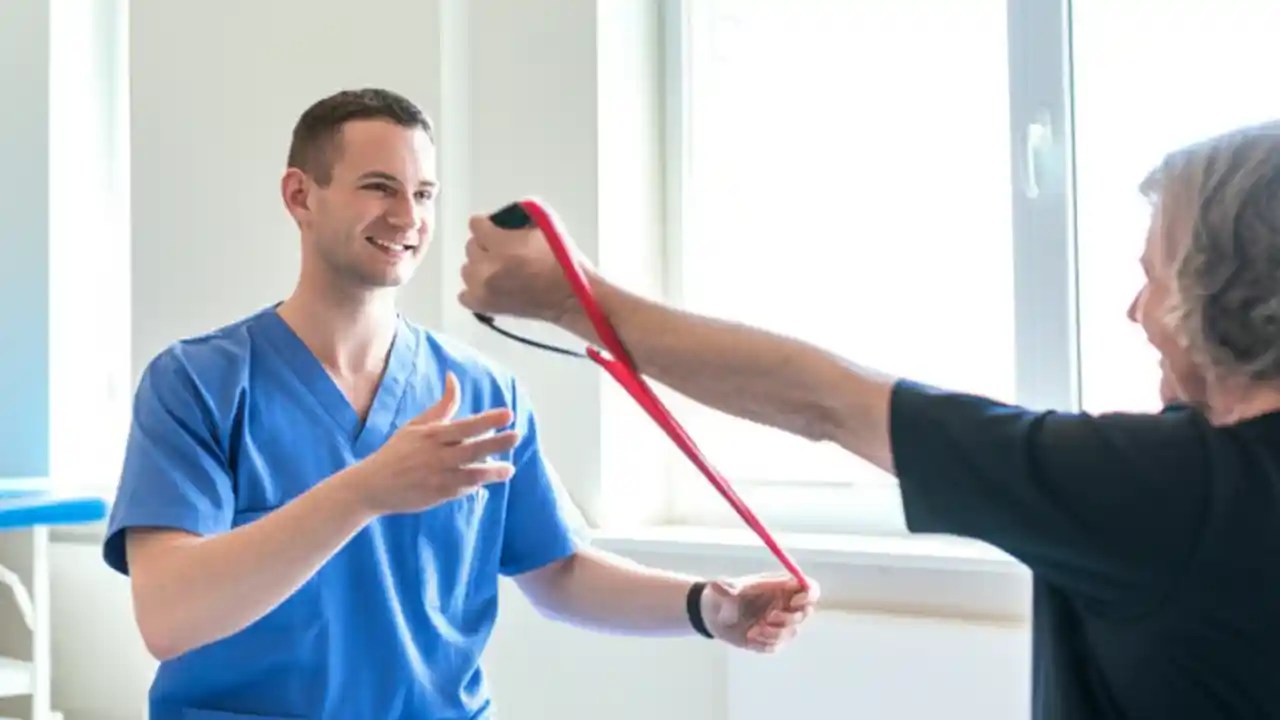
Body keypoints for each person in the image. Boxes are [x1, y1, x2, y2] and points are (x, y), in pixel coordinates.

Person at [459, 119, 1280, 719]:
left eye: (1156, 277)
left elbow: (827, 399)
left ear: (1232, 287)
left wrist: (575, 301)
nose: (1135, 312)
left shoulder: (1171, 490)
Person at [102, 88, 818, 720]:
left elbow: (558, 571)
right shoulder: (199, 384)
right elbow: (168, 616)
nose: (406, 215)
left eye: (424, 193)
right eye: (378, 186)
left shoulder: (481, 392)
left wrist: (706, 607)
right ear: (300, 195)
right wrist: (365, 491)